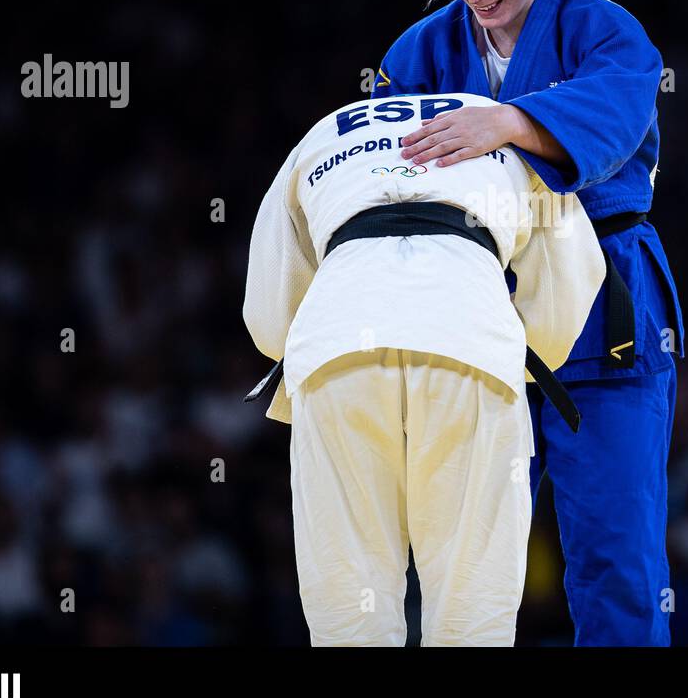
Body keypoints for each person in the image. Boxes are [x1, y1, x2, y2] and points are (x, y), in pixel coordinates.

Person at [372, 0, 686, 645]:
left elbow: (615, 124)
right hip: (475, 313)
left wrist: (509, 119)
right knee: (461, 565)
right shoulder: (420, 51)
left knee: (615, 557)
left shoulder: (607, 33)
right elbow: (382, 174)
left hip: (603, 310)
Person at [242, 91, 605, 647]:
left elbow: (268, 308)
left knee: (347, 591)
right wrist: (525, 355)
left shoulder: (327, 130)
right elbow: (570, 280)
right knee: (471, 594)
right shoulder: (505, 125)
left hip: (337, 342)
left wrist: (309, 344)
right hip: (468, 337)